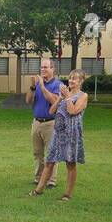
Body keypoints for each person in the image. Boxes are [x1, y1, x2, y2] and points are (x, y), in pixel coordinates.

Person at [30, 69, 88, 200]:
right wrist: (60, 98)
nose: (71, 80)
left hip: (71, 134)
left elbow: (72, 111)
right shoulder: (64, 95)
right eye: (70, 78)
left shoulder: (83, 96)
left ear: (81, 81)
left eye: (74, 78)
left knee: (70, 164)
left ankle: (67, 194)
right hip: (58, 132)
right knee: (49, 161)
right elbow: (51, 111)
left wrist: (67, 97)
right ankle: (38, 190)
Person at [25, 57, 62, 189]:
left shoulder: (58, 84)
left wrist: (41, 85)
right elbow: (28, 101)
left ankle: (51, 180)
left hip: (50, 123)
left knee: (51, 152)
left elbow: (54, 101)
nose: (43, 70)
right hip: (36, 122)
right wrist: (32, 87)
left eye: (46, 67)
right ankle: (39, 177)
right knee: (37, 153)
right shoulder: (37, 84)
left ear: (53, 69)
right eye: (41, 67)